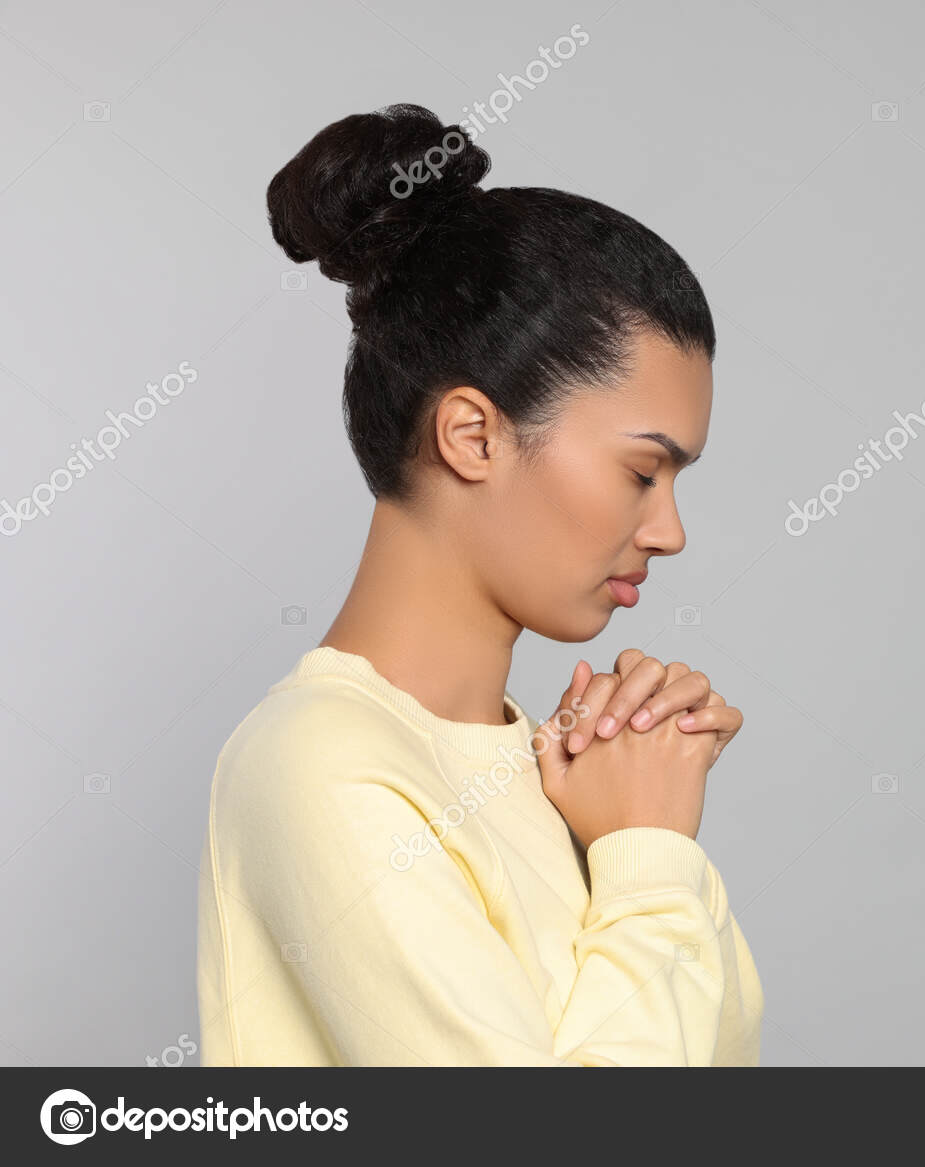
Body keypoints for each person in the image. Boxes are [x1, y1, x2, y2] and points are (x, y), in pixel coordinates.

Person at [195, 103, 761, 1066]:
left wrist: (635, 818)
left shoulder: (570, 778)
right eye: (640, 472)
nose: (668, 532)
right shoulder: (320, 765)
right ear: (473, 435)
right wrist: (651, 857)